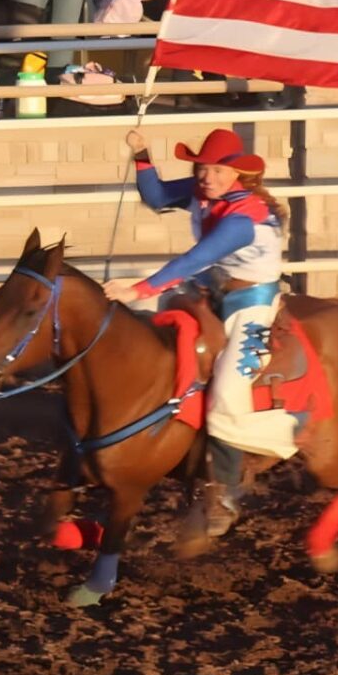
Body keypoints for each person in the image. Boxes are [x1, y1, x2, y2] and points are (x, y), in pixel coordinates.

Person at [110, 126, 292, 545]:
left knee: (229, 391)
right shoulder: (202, 193)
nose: (206, 176)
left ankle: (224, 493)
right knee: (134, 322)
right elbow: (157, 198)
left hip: (251, 304)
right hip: (210, 290)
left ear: (237, 175)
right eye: (202, 168)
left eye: (215, 170)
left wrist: (141, 287)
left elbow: (196, 256)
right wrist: (142, 154)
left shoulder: (244, 217)